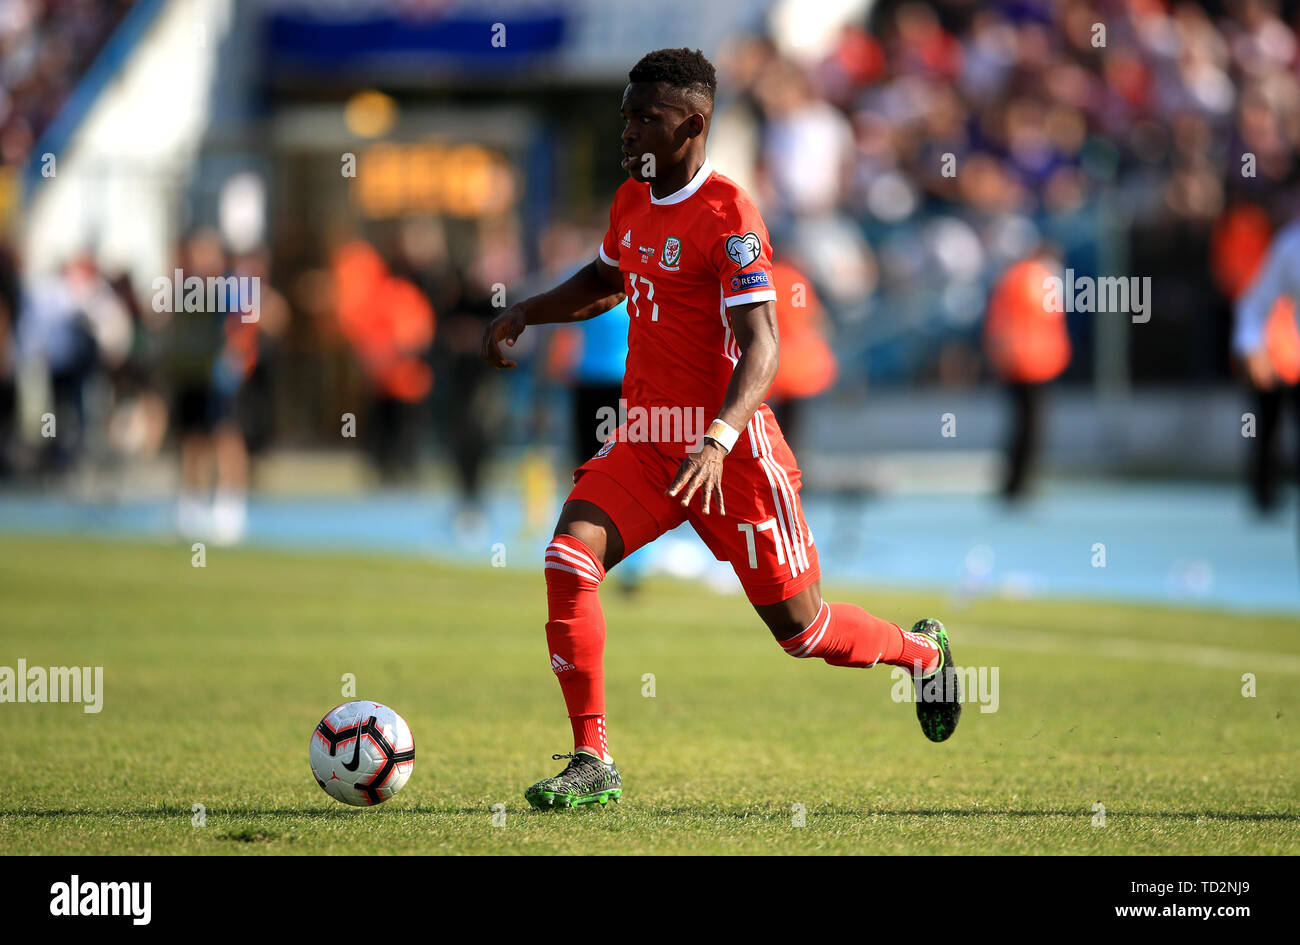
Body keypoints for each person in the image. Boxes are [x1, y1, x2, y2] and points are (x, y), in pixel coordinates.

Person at [481, 48, 961, 811]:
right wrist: (527, 310)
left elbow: (764, 342)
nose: (630, 131)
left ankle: (921, 651)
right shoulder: (630, 200)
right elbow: (606, 280)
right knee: (567, 561)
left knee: (804, 632)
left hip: (729, 454)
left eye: (647, 118)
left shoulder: (728, 214)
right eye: (626, 115)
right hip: (645, 441)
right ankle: (591, 755)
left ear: (694, 125)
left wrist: (720, 437)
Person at [983, 249, 1071, 500]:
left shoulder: (1013, 278)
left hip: (1020, 360)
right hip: (1032, 363)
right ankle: (1019, 483)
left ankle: (1015, 482)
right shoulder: (1033, 279)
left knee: (1021, 425)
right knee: (1031, 427)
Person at [1232, 219, 1300, 515]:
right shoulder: (1291, 245)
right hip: (1283, 362)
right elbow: (1255, 303)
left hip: (1286, 361)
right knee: (1268, 429)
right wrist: (1252, 347)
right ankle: (1265, 495)